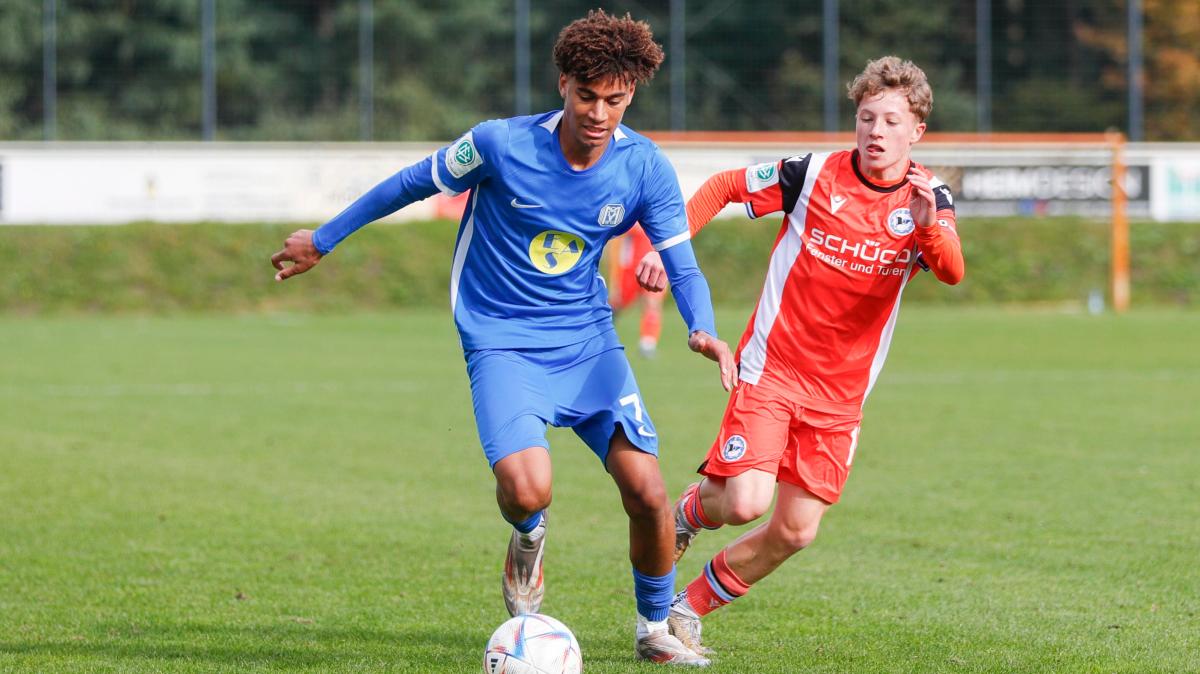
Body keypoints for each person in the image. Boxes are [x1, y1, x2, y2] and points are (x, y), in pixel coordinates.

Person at [270, 10, 733, 667]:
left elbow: (680, 262)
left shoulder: (643, 167)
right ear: (562, 84)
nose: (600, 113)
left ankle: (653, 629)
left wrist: (705, 329)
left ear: (631, 94)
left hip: (587, 342)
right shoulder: (499, 145)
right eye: (586, 96)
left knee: (650, 495)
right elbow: (407, 184)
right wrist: (322, 239)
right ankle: (528, 535)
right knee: (526, 489)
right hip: (501, 340)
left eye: (616, 100)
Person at [636, 56, 964, 656]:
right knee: (745, 502)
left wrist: (929, 229)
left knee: (795, 529)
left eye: (892, 120)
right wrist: (671, 244)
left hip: (841, 396)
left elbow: (951, 272)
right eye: (867, 117)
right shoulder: (812, 174)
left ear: (917, 130)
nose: (876, 131)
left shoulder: (929, 198)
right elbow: (724, 186)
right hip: (773, 368)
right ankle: (687, 512)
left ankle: (688, 609)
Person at [607, 224, 666, 358]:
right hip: (630, 270)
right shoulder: (633, 219)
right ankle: (596, 334)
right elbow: (617, 244)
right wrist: (616, 277)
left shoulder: (660, 218)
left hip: (653, 267)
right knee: (616, 304)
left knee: (653, 303)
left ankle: (648, 344)